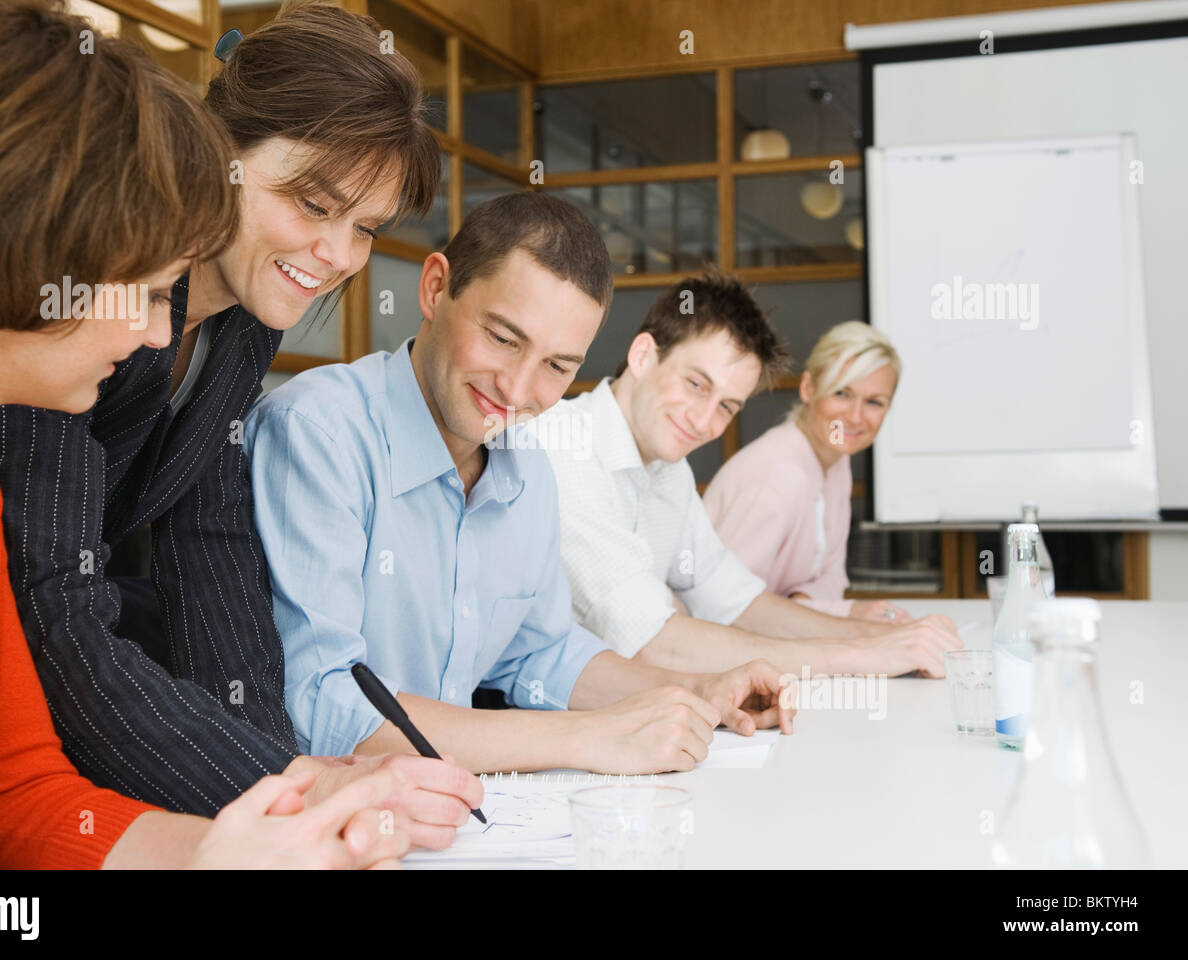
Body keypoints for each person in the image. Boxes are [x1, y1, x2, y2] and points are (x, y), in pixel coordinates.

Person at [0, 0, 467, 869]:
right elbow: (56, 607)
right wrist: (288, 791)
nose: (341, 255)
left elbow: (215, 558)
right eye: (312, 202)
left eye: (367, 228)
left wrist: (288, 797)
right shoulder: (45, 344)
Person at [244, 194, 795, 776]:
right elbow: (322, 709)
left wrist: (696, 691)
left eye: (558, 366)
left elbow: (544, 653)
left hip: (449, 814)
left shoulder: (528, 470)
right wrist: (587, 738)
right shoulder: (318, 433)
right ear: (434, 289)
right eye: (504, 338)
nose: (516, 388)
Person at [539, 276, 959, 677]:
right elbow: (650, 640)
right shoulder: (565, 447)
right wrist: (864, 655)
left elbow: (738, 602)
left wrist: (888, 637)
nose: (704, 422)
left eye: (727, 406)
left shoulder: (670, 470)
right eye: (696, 384)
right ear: (644, 355)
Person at [706, 320, 916, 624]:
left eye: (874, 402)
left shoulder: (835, 460)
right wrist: (846, 613)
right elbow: (723, 606)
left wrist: (807, 605)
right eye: (841, 393)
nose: (855, 416)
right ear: (808, 388)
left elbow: (832, 574)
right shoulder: (778, 474)